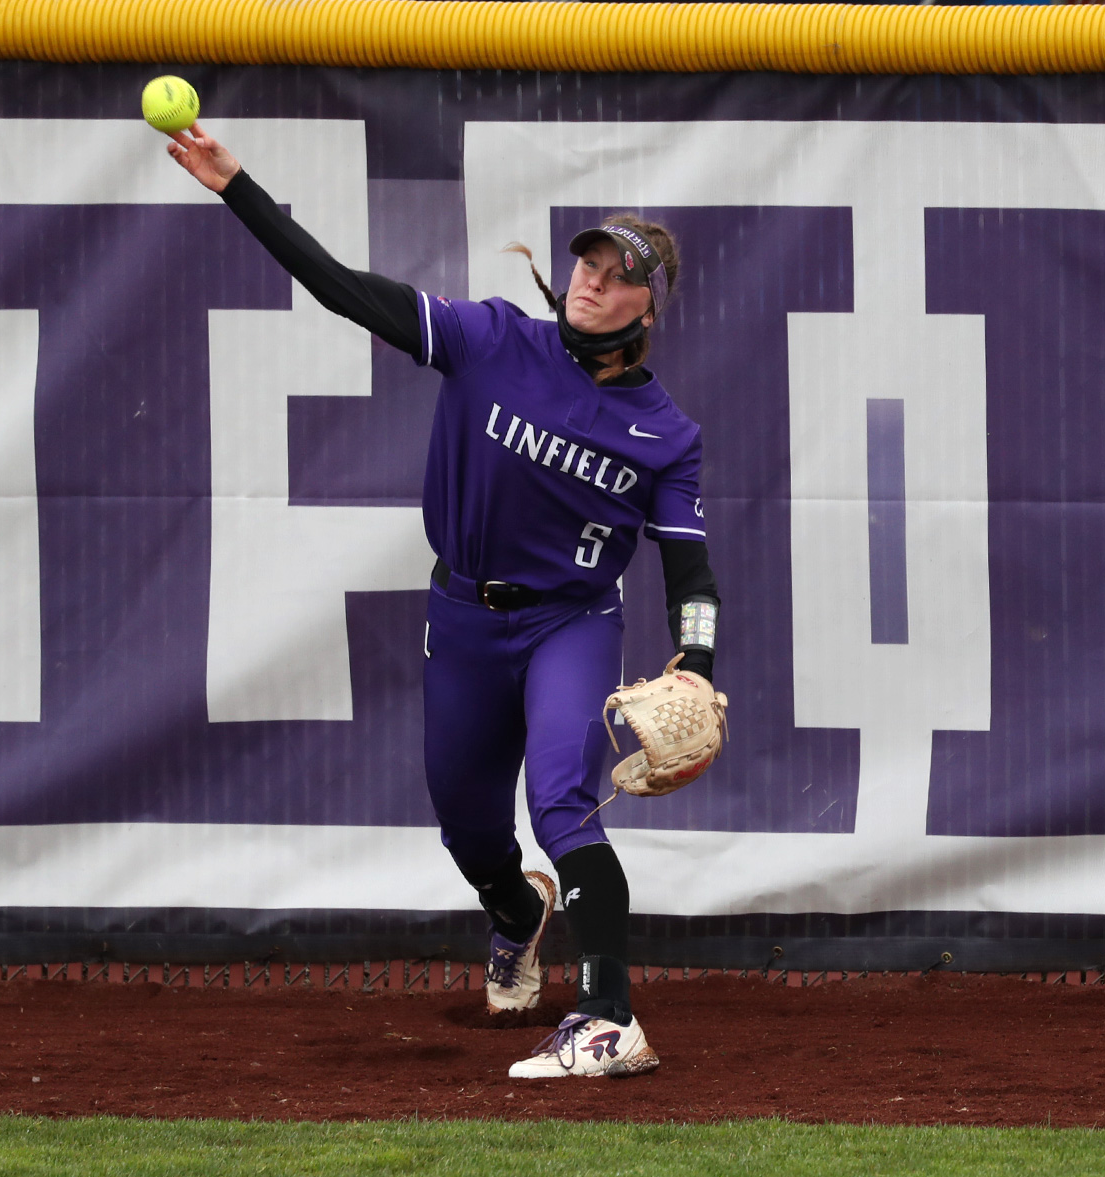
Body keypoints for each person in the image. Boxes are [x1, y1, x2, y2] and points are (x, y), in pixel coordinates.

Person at [164, 122, 720, 1079]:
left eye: (614, 271)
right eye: (585, 259)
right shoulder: (491, 338)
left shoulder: (666, 435)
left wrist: (699, 663)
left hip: (569, 623)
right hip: (463, 619)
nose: (588, 277)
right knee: (468, 826)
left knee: (562, 803)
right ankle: (515, 912)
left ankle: (608, 1019)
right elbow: (343, 287)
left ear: (648, 306)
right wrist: (235, 186)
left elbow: (690, 569)